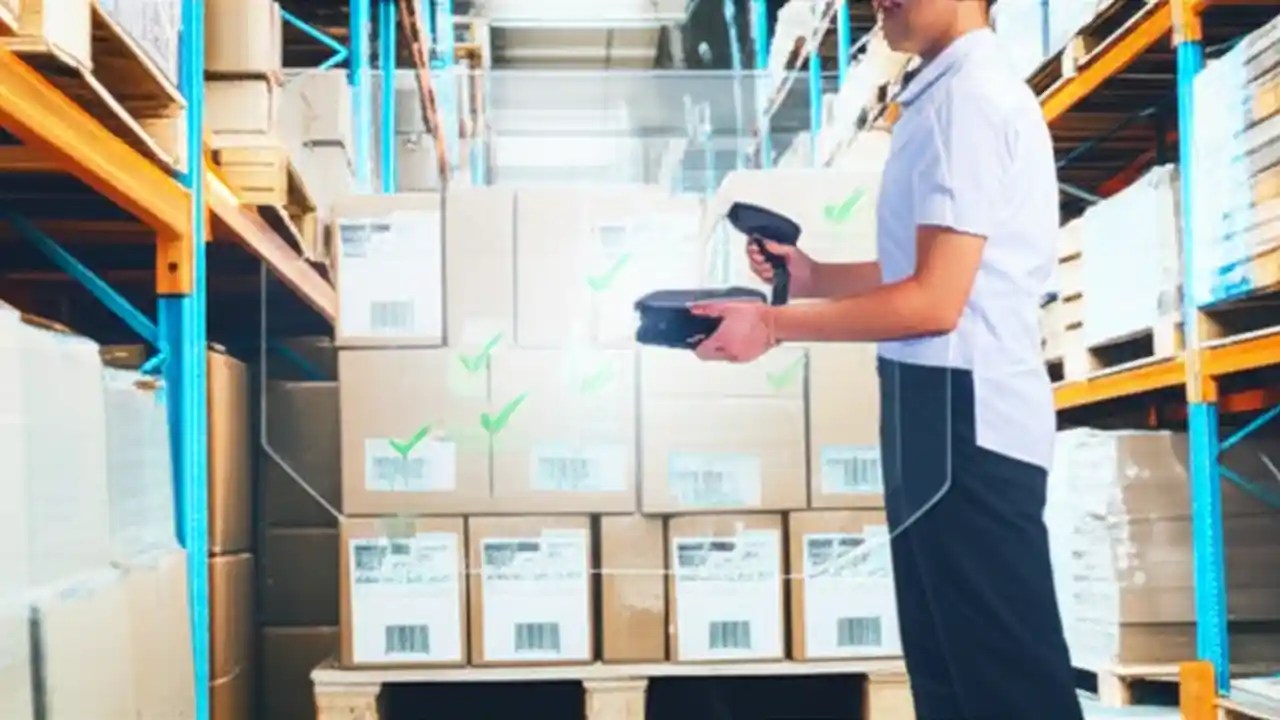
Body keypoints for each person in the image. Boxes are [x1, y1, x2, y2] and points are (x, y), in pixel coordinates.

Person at [690, 0, 1084, 718]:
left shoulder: (969, 100)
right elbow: (925, 263)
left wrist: (774, 326)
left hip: (968, 419)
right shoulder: (940, 90)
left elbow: (935, 302)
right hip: (929, 407)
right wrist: (811, 277)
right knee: (947, 674)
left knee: (1003, 683)